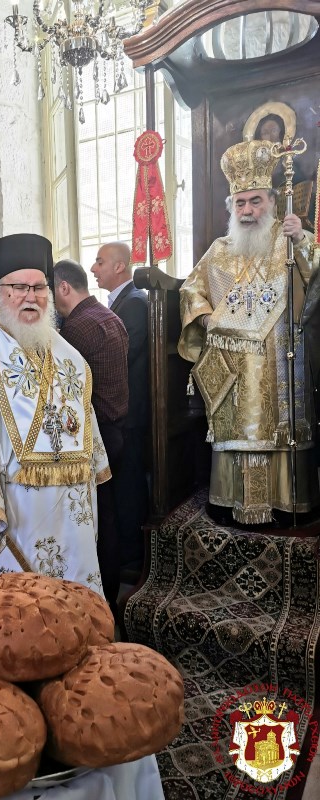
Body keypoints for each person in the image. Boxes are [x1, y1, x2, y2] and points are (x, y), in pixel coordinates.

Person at [0, 234, 109, 592]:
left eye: (40, 288)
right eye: (19, 287)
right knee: (14, 613)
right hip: (12, 514)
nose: (31, 296)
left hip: (71, 513)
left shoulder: (70, 357)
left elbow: (86, 429)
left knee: (73, 602)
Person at [178, 138, 320, 524]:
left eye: (255, 201)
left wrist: (301, 239)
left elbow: (315, 278)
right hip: (235, 367)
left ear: (272, 202)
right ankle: (231, 502)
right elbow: (191, 288)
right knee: (240, 428)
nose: (247, 209)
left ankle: (286, 504)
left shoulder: (289, 238)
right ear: (231, 207)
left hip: (280, 358)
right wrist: (208, 320)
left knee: (278, 424)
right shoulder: (220, 248)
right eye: (240, 203)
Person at [53, 259, 129, 611]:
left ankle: (94, 600)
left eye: (47, 290)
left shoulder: (77, 329)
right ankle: (109, 595)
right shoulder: (108, 316)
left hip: (94, 436)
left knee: (94, 521)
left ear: (63, 288)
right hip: (115, 429)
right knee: (108, 514)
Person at [91, 241, 149, 582]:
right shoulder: (121, 304)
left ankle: (132, 554)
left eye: (100, 262)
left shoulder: (135, 305)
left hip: (130, 414)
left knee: (127, 485)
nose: (94, 268)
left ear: (119, 267)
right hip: (122, 411)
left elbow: (120, 359)